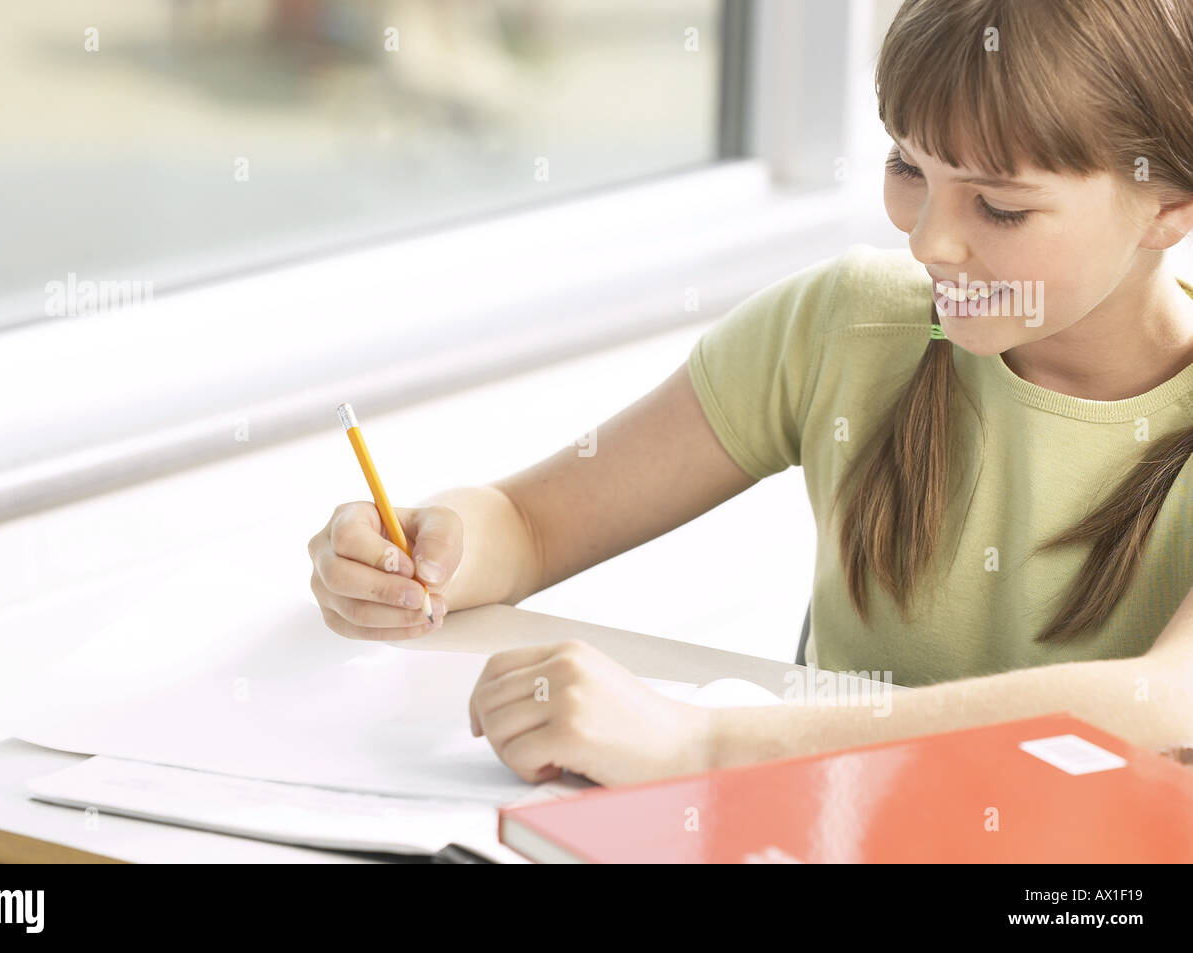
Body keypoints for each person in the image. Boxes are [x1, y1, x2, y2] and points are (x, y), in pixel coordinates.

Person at [308, 0, 1193, 787]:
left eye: (998, 208)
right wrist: (421, 555)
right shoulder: (845, 326)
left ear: (1169, 208)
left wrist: (705, 744)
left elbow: (1165, 699)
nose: (928, 243)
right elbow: (531, 522)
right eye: (908, 168)